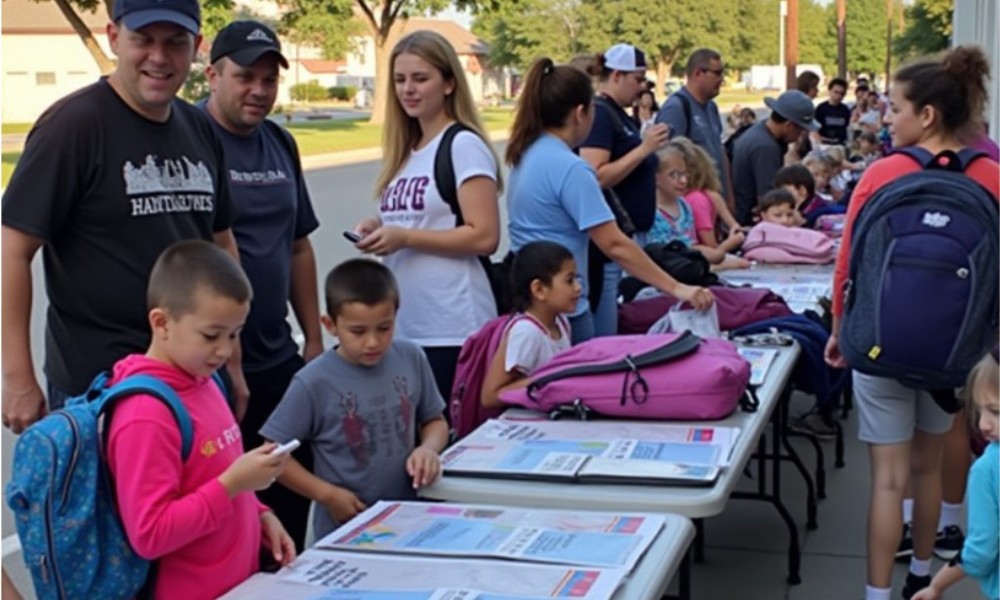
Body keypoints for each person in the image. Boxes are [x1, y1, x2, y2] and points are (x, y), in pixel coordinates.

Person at [1, 0, 241, 434]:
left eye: (175, 43)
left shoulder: (200, 128)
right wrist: (18, 377)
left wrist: (233, 360)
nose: (159, 57)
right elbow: (12, 250)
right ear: (113, 37)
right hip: (99, 390)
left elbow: (221, 244)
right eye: (143, 40)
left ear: (197, 46)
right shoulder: (72, 127)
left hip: (193, 379)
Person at [824, 46, 1000, 600]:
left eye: (896, 108)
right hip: (955, 353)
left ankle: (876, 594)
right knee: (927, 469)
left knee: (888, 479)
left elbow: (848, 263)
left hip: (879, 345)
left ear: (927, 114)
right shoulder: (993, 177)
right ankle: (921, 577)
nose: (888, 119)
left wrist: (839, 331)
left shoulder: (882, 173)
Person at [106, 240, 295, 600]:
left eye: (235, 334)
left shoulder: (204, 380)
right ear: (161, 323)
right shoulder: (145, 415)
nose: (225, 350)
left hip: (237, 585)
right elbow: (150, 534)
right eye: (211, 335)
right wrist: (234, 484)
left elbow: (215, 474)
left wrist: (260, 514)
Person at [201, 19, 322, 550]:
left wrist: (312, 339)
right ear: (213, 76)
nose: (258, 90)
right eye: (245, 77)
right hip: (212, 366)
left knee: (290, 499)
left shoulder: (279, 142)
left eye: (269, 80)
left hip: (276, 356)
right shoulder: (191, 138)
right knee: (229, 517)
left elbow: (298, 245)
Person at [505, 58, 714, 343]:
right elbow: (614, 244)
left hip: (530, 305)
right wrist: (676, 287)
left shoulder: (526, 154)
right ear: (580, 113)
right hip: (563, 310)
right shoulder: (571, 168)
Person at [352, 30, 503, 402]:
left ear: (449, 83)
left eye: (420, 78)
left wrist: (405, 237)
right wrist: (379, 227)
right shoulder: (406, 149)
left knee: (447, 431)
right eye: (400, 80)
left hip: (453, 326)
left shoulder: (462, 145)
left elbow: (485, 236)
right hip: (407, 325)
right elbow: (420, 217)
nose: (408, 89)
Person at [259, 259, 449, 540]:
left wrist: (429, 449)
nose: (372, 342)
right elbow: (273, 454)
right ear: (330, 324)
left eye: (384, 328)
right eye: (358, 331)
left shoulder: (411, 357)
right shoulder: (313, 381)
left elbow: (435, 421)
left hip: (409, 516)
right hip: (347, 526)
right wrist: (327, 494)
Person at [579, 43, 670, 336]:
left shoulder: (619, 114)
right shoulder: (601, 114)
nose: (642, 87)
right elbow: (595, 176)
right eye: (637, 79)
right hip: (612, 242)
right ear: (616, 75)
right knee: (610, 329)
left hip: (631, 235)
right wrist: (643, 149)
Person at [912, 348, 999, 600]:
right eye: (980, 410)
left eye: (996, 411)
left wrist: (937, 585)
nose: (983, 424)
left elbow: (981, 551)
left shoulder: (988, 469)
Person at [481, 242, 577, 408]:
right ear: (539, 289)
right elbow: (490, 396)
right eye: (569, 281)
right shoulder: (527, 332)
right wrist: (548, 380)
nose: (578, 288)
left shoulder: (561, 323)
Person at [655, 48, 733, 207]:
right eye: (717, 73)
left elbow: (720, 152)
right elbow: (666, 162)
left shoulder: (711, 107)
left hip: (716, 203)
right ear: (698, 73)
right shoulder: (677, 108)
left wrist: (729, 199)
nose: (721, 79)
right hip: (694, 206)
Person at [732, 90, 820, 225]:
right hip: (750, 221)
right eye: (801, 130)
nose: (800, 136)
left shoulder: (760, 131)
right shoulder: (766, 147)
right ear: (789, 125)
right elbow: (771, 199)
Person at [671, 137, 745, 257]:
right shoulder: (700, 198)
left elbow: (712, 245)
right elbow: (712, 246)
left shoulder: (696, 199)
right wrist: (731, 242)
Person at [814, 78, 852, 146]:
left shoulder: (845, 110)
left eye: (841, 93)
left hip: (841, 144)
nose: (838, 96)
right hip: (824, 144)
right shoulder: (821, 108)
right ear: (830, 91)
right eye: (836, 92)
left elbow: (848, 127)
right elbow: (815, 129)